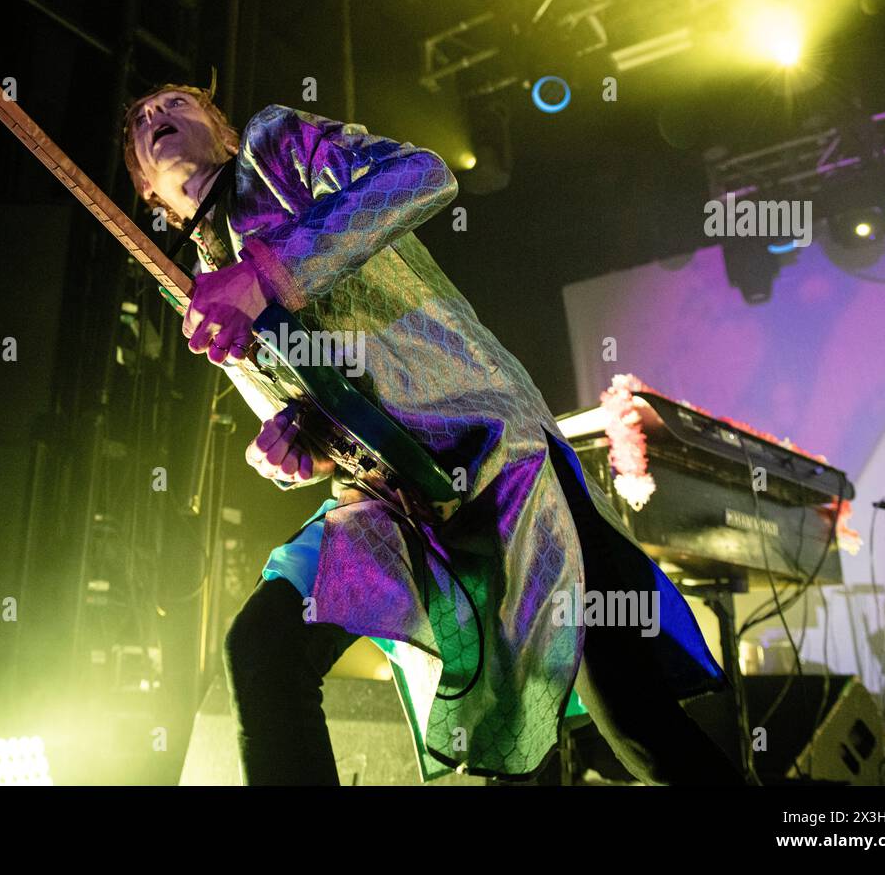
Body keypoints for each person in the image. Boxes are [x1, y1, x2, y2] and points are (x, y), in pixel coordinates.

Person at [122, 81, 748, 785]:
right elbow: (296, 413)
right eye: (143, 120)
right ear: (146, 187)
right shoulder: (204, 289)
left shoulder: (274, 149)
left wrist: (271, 272)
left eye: (176, 103)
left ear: (220, 128)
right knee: (263, 646)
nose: (157, 117)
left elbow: (420, 174)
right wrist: (287, 450)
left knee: (634, 719)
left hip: (495, 457)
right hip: (394, 503)